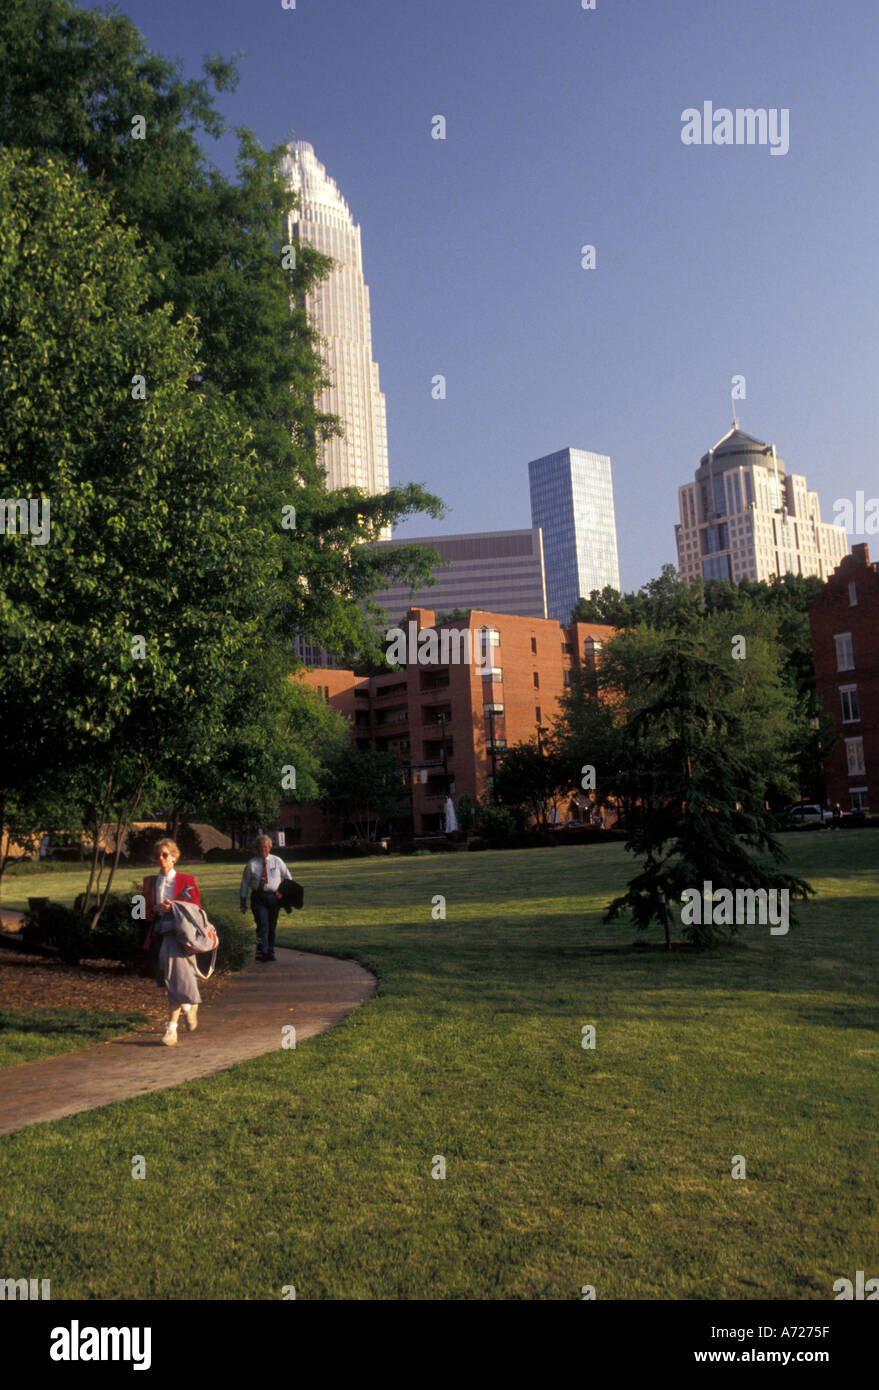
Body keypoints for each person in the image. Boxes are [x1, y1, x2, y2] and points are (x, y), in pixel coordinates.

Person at [143, 838, 202, 1046]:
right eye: (158, 854)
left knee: (175, 979)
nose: (161, 858)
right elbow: (137, 913)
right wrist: (154, 910)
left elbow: (196, 908)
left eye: (165, 854)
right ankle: (188, 1006)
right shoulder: (149, 882)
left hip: (179, 934)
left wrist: (174, 907)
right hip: (158, 933)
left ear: (174, 858)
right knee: (167, 982)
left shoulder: (187, 880)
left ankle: (171, 1029)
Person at [240, 835, 292, 962]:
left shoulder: (277, 861)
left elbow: (288, 878)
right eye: (260, 847)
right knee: (263, 924)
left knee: (272, 925)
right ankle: (262, 952)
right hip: (258, 897)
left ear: (269, 848)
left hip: (274, 898)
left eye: (265, 847)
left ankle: (270, 951)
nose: (262, 850)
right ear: (256, 849)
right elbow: (245, 883)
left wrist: (282, 892)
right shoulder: (251, 864)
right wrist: (243, 901)